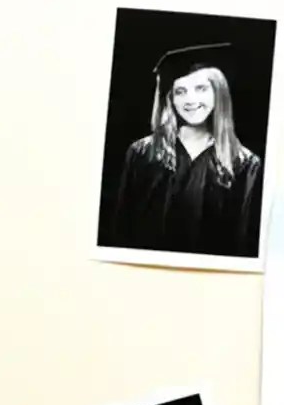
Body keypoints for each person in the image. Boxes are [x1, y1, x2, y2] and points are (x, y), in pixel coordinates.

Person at [107, 42, 263, 257]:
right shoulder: (142, 153)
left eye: (201, 89)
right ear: (170, 99)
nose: (191, 100)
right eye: (180, 92)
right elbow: (121, 231)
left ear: (218, 93)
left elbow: (242, 244)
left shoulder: (244, 164)